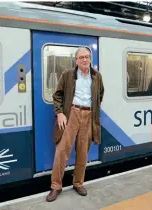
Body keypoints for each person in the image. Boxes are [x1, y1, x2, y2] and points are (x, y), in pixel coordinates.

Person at [46, 47, 104, 202]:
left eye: (87, 57)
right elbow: (57, 95)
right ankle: (55, 186)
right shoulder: (68, 75)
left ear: (90, 59)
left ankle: (78, 183)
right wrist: (59, 113)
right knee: (62, 151)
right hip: (71, 114)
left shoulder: (97, 76)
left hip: (88, 115)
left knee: (83, 152)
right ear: (76, 60)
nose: (85, 60)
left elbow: (100, 95)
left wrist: (92, 110)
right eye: (82, 57)